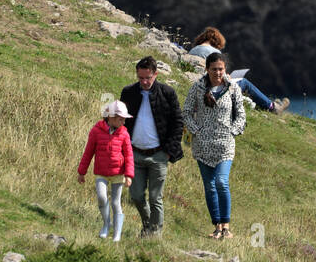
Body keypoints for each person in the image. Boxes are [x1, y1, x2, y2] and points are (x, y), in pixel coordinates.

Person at [182, 52, 246, 241]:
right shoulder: (197, 88)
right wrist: (196, 130)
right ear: (207, 69)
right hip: (202, 145)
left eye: (221, 69)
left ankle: (226, 227)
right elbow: (186, 112)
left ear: (225, 69)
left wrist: (233, 131)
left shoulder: (233, 88)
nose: (218, 73)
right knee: (209, 187)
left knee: (221, 182)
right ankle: (217, 226)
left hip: (225, 144)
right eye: (214, 69)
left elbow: (241, 115)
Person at [119, 56, 184, 238]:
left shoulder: (168, 93)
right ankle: (148, 226)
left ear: (156, 74)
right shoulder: (128, 92)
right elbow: (120, 121)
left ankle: (154, 234)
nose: (145, 82)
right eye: (141, 78)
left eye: (148, 78)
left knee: (156, 198)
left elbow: (178, 122)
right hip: (134, 154)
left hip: (159, 155)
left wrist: (169, 152)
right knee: (137, 196)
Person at [187, 27, 289, 114]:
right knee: (244, 82)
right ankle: (273, 107)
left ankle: (265, 104)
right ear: (216, 41)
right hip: (212, 87)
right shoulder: (214, 51)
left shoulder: (193, 50)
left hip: (200, 83)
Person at [77, 101, 134, 241]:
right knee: (102, 197)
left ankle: (117, 233)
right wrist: (81, 172)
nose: (123, 121)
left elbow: (129, 155)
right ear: (110, 117)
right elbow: (88, 152)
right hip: (101, 172)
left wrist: (128, 175)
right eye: (120, 118)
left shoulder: (124, 134)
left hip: (117, 174)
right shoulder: (96, 131)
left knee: (116, 203)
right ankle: (106, 224)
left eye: (124, 118)